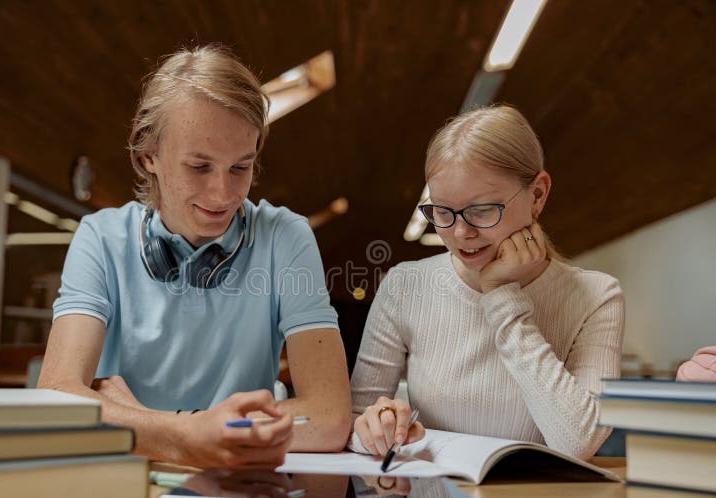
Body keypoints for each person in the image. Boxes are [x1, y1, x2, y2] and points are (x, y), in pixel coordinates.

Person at [38, 44, 351, 468]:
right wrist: (193, 436)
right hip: (122, 482)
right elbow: (56, 399)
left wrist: (145, 424)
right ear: (148, 155)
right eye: (199, 167)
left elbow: (330, 418)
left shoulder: (286, 237)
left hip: (234, 486)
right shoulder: (100, 237)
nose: (223, 195)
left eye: (240, 167)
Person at [350, 104, 625, 461]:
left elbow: (578, 443)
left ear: (538, 194)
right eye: (442, 212)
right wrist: (377, 431)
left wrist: (502, 297)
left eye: (482, 210)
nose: (461, 233)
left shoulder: (597, 297)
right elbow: (355, 423)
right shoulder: (406, 286)